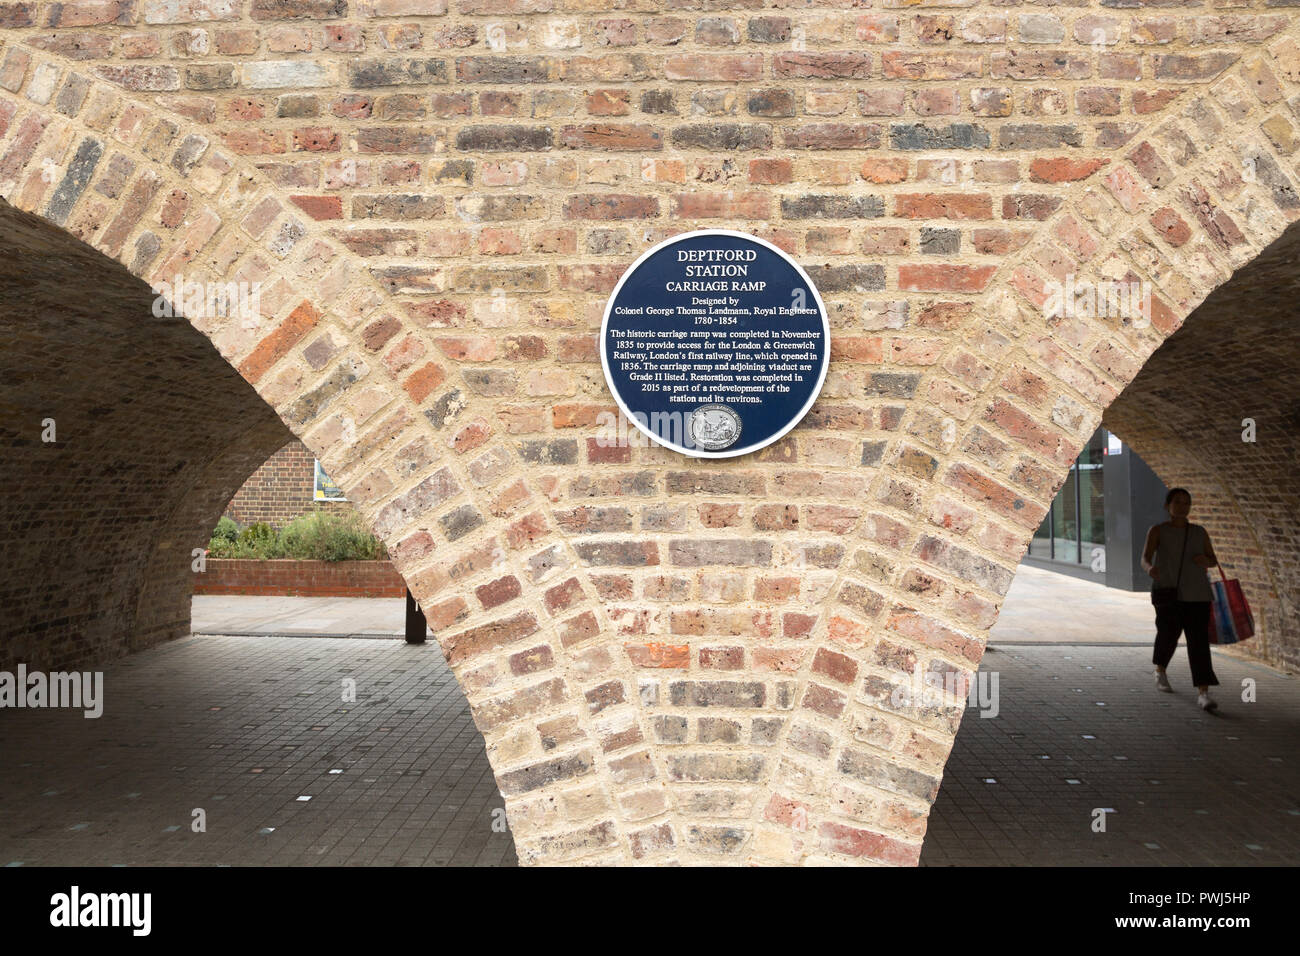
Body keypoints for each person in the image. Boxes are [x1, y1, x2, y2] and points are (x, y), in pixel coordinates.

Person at [1141, 488, 1220, 711]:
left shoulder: (1199, 532)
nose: (1183, 507)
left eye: (1187, 503)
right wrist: (1150, 569)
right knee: (1168, 635)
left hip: (1197, 594)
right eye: (1178, 502)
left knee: (1199, 643)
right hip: (1167, 591)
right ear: (1168, 506)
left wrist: (1206, 560)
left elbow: (1213, 560)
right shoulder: (1158, 531)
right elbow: (1145, 557)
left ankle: (1204, 692)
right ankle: (1160, 670)